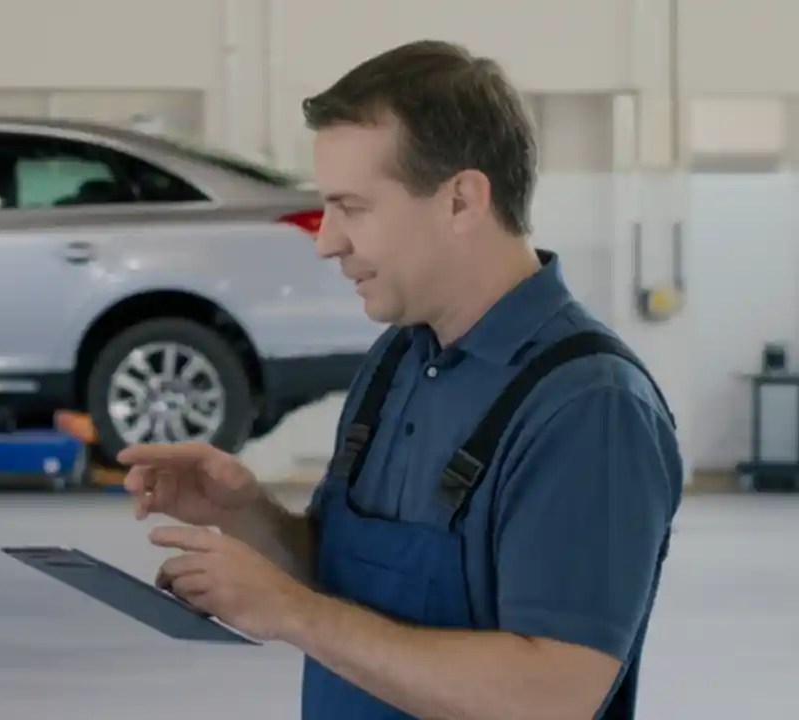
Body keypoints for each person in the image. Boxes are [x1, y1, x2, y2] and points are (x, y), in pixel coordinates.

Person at [119, 40, 682, 720]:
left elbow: (553, 695)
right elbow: (351, 584)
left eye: (352, 208)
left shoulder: (589, 407)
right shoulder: (397, 361)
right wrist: (249, 517)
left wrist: (291, 613)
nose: (326, 240)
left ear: (461, 201)